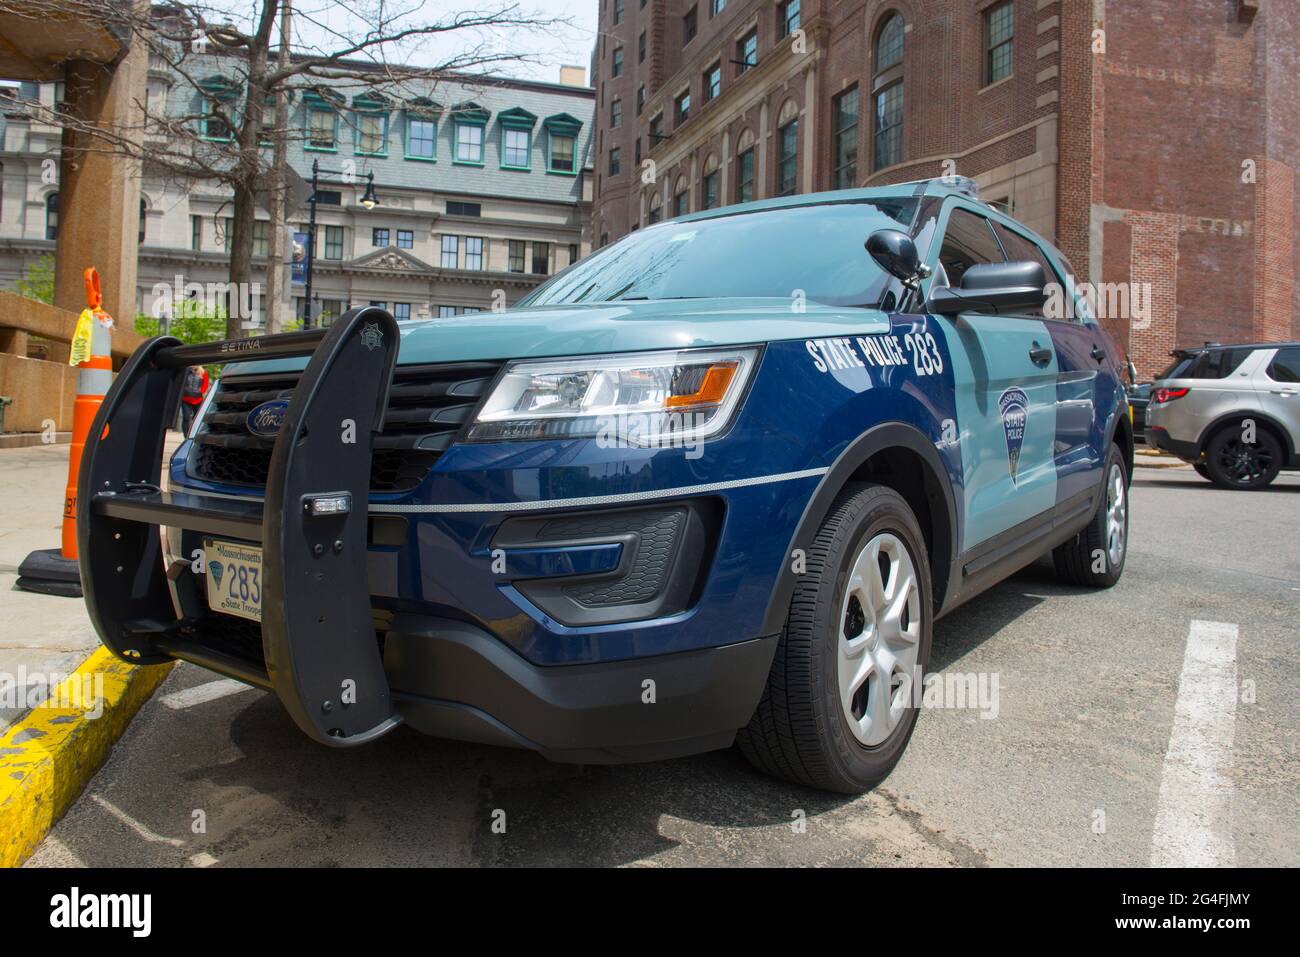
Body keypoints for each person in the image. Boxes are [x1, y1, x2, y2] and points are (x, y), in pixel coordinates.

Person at [179, 365, 209, 434]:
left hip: (198, 400)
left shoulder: (203, 373)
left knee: (197, 419)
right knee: (186, 418)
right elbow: (180, 382)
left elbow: (205, 384)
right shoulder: (185, 371)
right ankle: (186, 435)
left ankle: (194, 434)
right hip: (186, 399)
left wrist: (201, 392)